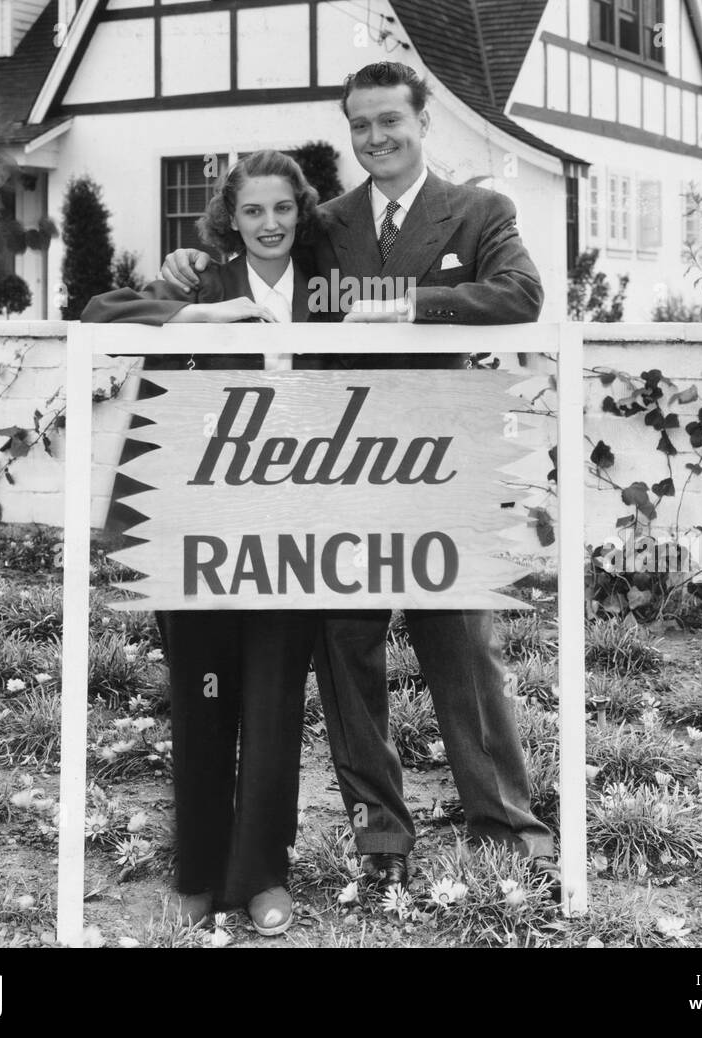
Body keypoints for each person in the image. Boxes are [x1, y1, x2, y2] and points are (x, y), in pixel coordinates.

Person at [160, 61, 560, 896]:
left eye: (391, 121)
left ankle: (506, 825)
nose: (376, 137)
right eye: (361, 125)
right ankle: (381, 836)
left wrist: (414, 302)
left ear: (424, 123)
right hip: (340, 462)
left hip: (436, 460)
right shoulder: (325, 221)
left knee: (462, 645)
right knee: (349, 655)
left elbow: (521, 294)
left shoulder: (480, 210)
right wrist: (183, 274)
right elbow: (253, 251)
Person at [83, 149, 331, 936]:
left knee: (273, 700)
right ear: (230, 216)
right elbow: (96, 316)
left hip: (295, 523)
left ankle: (260, 875)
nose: (269, 224)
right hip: (193, 523)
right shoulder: (196, 281)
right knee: (201, 694)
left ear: (302, 211)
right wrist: (201, 318)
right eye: (252, 210)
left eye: (282, 209)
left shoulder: (329, 291)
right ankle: (196, 868)